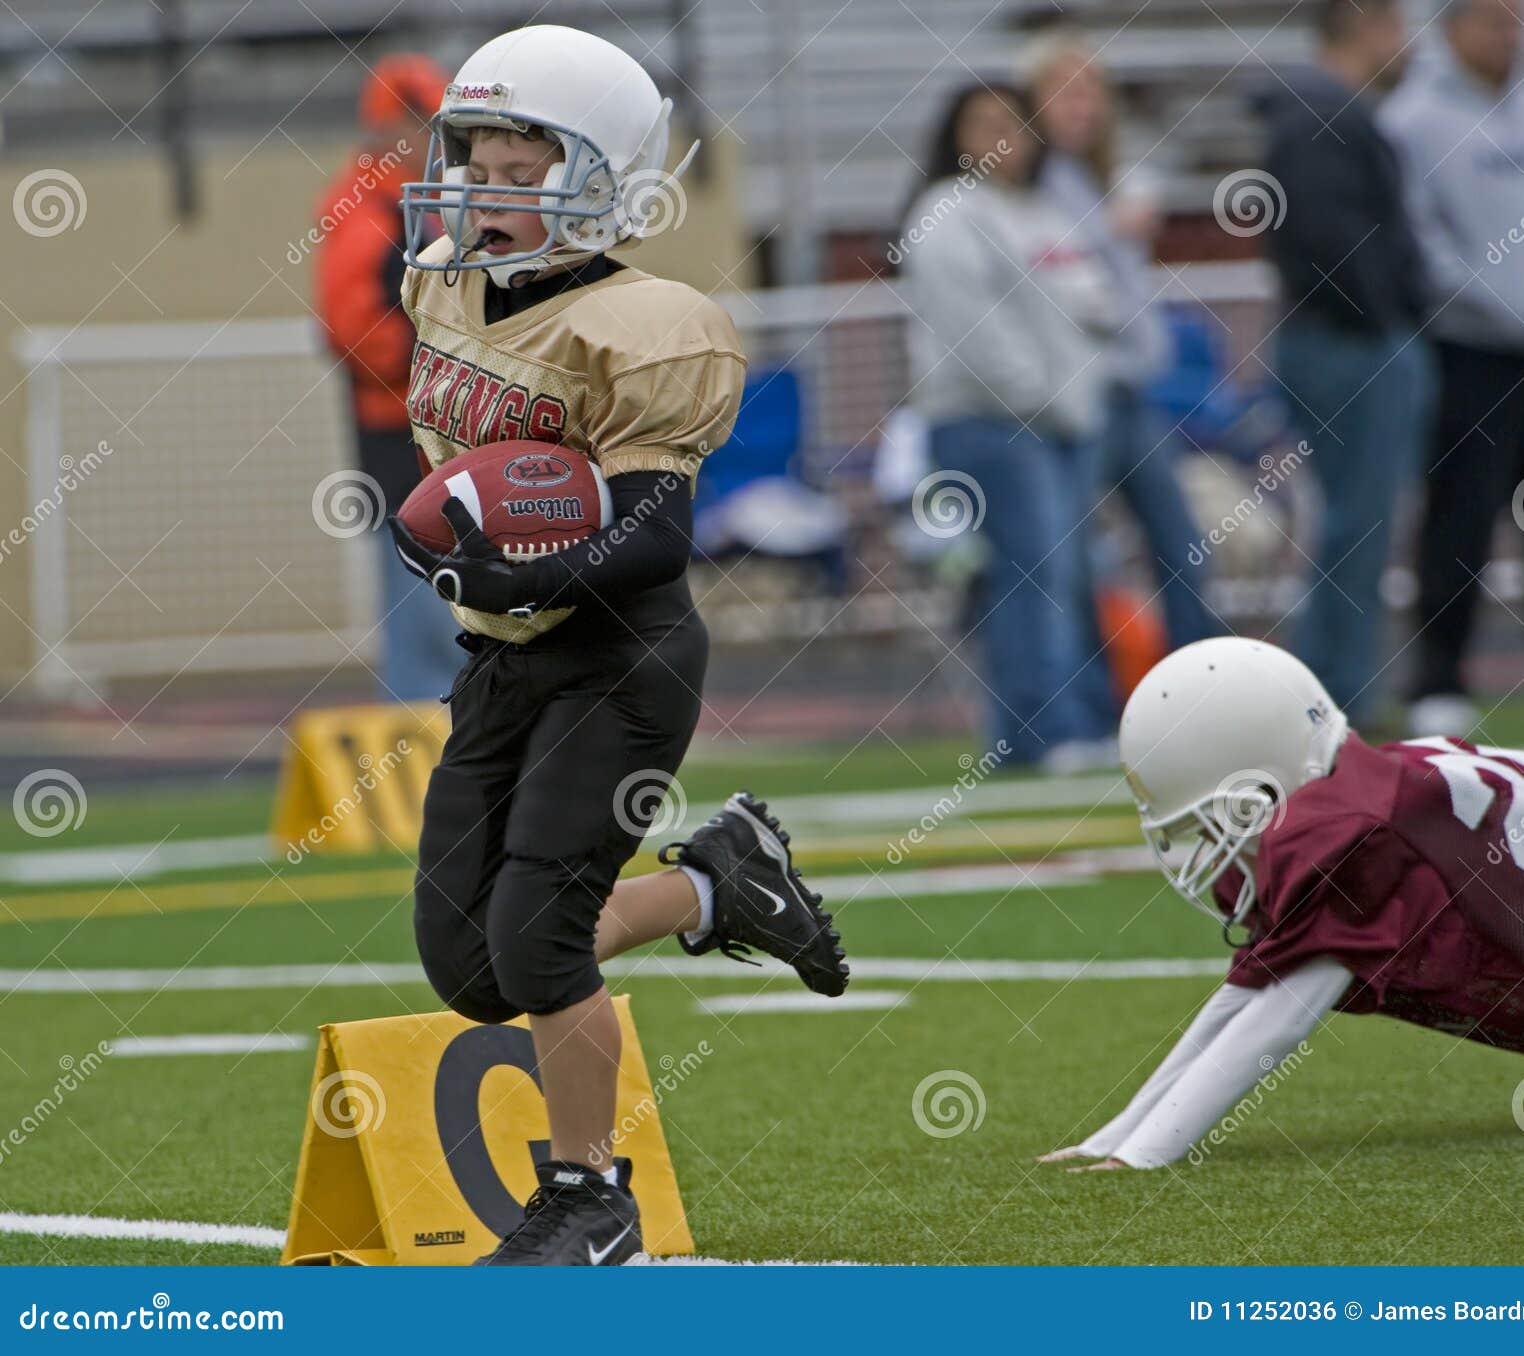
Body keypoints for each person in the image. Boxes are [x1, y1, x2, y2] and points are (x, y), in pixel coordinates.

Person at [384, 25, 850, 1265]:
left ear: (598, 172)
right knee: (465, 962)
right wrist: (443, 536)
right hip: (498, 654)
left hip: (618, 657)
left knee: (534, 938)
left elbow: (652, 537)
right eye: (471, 143)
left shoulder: (652, 326)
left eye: (518, 149)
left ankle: (592, 1199)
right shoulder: (438, 276)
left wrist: (519, 556)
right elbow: (460, 468)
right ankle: (717, 883)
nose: (481, 173)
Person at [1039, 636, 1524, 1170]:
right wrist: (1114, 1134)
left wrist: (1144, 1152)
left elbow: (1280, 1016)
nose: (1214, 845)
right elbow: (1249, 991)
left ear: (1262, 775)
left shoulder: (1354, 836)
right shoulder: (1387, 778)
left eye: (1215, 822)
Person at [1381, 0, 1524, 736]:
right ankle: (1439, 676)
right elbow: (1417, 241)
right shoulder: (1412, 121)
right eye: (1491, 21)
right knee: (1461, 518)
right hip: (1472, 351)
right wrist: (1497, 305)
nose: (1509, 35)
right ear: (1449, 28)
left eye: (1515, 21)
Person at [900, 82, 1119, 772]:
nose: (1000, 137)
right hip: (993, 423)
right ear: (955, 136)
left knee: (1070, 578)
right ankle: (1037, 735)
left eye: (1012, 123)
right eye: (982, 123)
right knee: (1032, 579)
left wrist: (1080, 398)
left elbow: (1096, 307)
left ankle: (1078, 721)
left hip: (1060, 424)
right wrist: (1047, 397)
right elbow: (976, 336)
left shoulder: (1046, 213)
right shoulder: (945, 213)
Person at [1251, 0, 1434, 730]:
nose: (1409, 45)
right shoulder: (1320, 114)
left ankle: (1332, 692)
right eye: (1398, 26)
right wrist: (1384, 314)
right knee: (1357, 523)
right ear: (1366, 26)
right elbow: (1331, 242)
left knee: (1356, 522)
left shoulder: (1322, 111)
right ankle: (1335, 695)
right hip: (1347, 343)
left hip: (1345, 337)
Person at [1024, 28, 1219, 656]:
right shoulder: (1031, 184)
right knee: (1072, 552)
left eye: (1090, 91)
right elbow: (1051, 272)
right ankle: (1091, 697)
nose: (1082, 105)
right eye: (1064, 91)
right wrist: (1105, 229)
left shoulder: (1104, 176)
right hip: (1078, 394)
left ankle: (1199, 674)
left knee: (1179, 537)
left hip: (1132, 390)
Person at [313, 54, 461, 703]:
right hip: (399, 435)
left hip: (424, 431)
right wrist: (443, 354)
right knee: (423, 615)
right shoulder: (367, 212)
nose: (437, 139)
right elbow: (352, 328)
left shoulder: (406, 204)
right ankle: (427, 761)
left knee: (440, 604)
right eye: (427, 122)